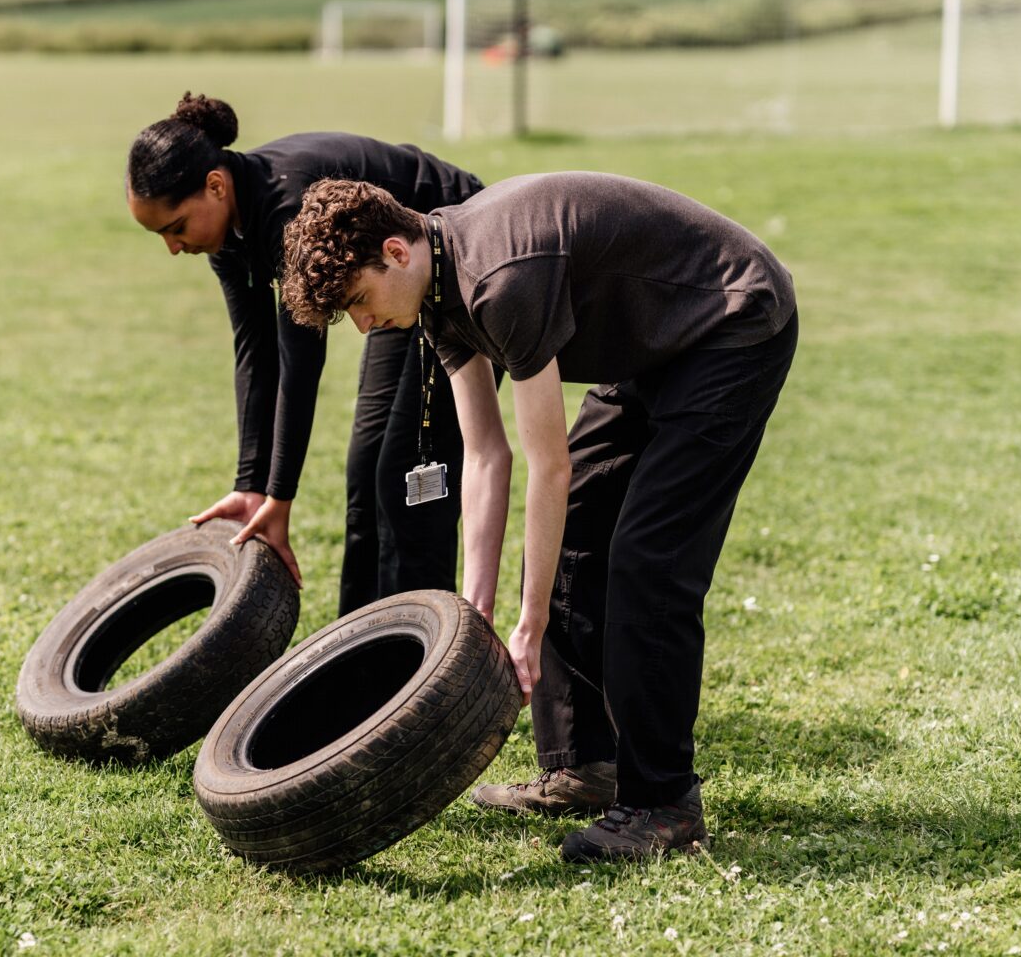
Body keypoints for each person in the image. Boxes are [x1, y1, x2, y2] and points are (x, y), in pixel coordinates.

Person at [280, 172, 797, 862]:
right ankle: (585, 767)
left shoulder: (499, 280)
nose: (364, 324)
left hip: (732, 323)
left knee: (647, 563)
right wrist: (476, 614)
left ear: (396, 253)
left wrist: (531, 624)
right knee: (576, 536)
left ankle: (664, 805)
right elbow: (486, 457)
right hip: (655, 341)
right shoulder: (436, 294)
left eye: (360, 301)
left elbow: (547, 468)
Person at [125, 93, 485, 613]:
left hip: (451, 267)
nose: (173, 247)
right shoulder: (232, 232)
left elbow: (300, 361)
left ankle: (423, 662)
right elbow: (256, 352)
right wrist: (252, 485)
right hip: (386, 284)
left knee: (406, 477)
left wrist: (281, 494)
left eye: (176, 227)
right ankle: (359, 655)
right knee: (366, 473)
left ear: (215, 186)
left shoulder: (287, 207)